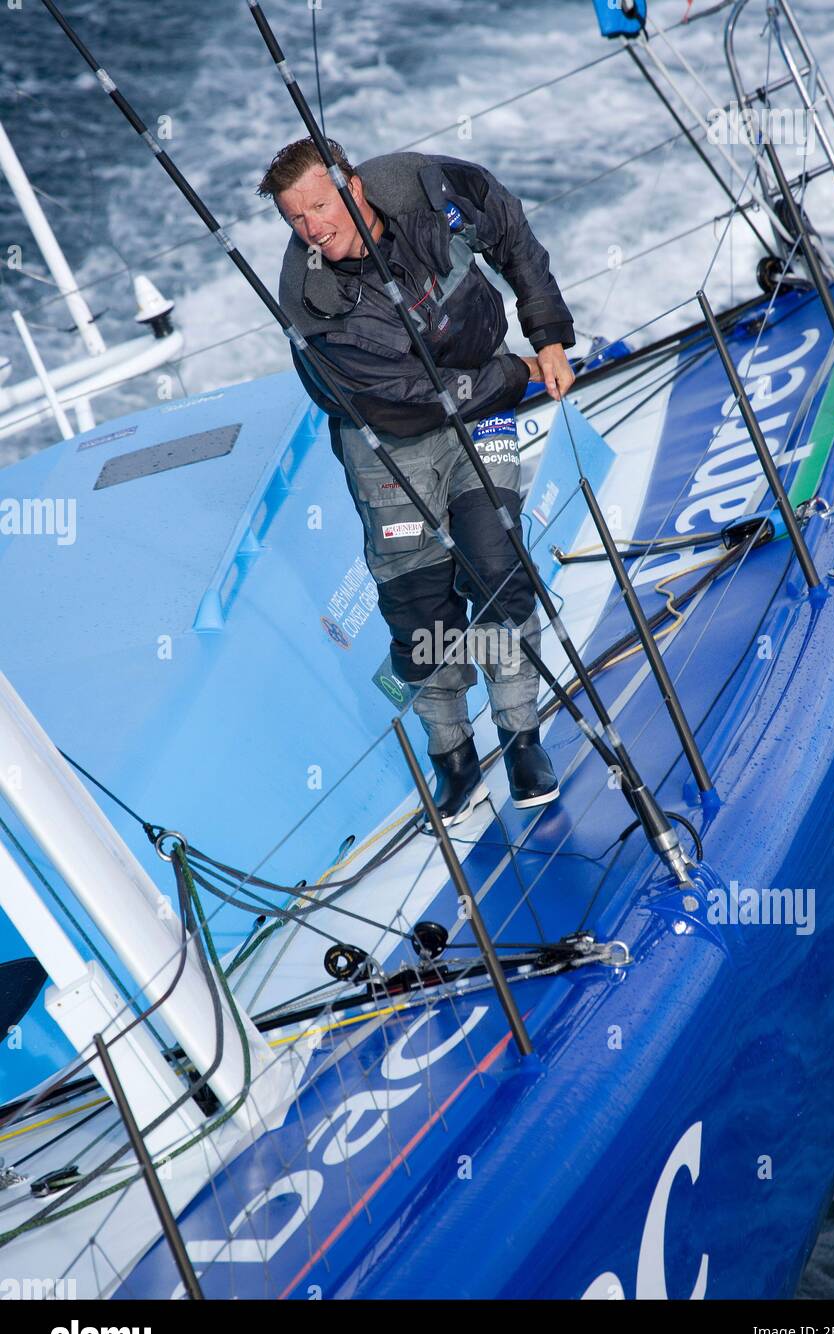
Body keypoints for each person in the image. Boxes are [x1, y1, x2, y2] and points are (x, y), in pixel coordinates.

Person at [260, 138, 576, 824]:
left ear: (354, 184)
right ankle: (453, 755)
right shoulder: (310, 295)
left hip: (480, 413)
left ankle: (521, 734)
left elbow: (510, 232)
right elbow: (408, 397)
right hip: (391, 442)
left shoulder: (427, 188)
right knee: (418, 605)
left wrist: (546, 333)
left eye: (320, 205)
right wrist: (514, 375)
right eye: (296, 220)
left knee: (496, 563)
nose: (313, 228)